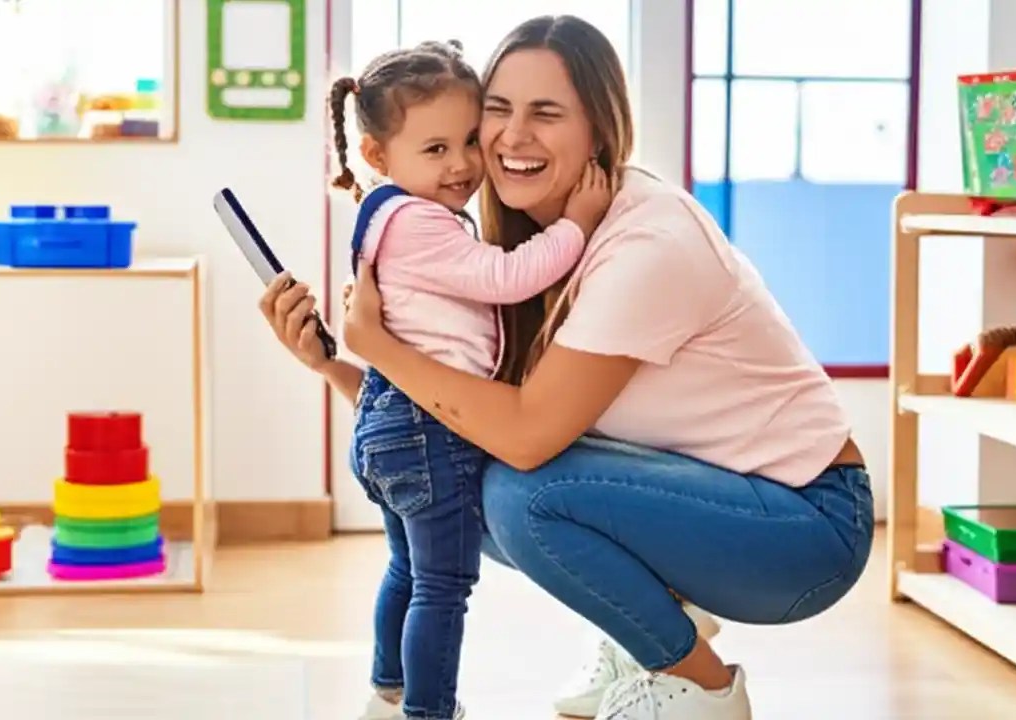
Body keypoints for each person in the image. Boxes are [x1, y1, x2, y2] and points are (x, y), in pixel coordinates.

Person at [261, 15, 873, 720]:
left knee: (520, 495)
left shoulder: (647, 243)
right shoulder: (524, 241)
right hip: (708, 495)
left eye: (546, 114)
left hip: (805, 526)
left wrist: (378, 344)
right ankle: (646, 633)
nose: (511, 137)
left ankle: (704, 690)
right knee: (459, 480)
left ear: (599, 130)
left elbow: (523, 437)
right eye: (498, 110)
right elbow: (450, 421)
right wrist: (334, 365)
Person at [322, 38, 613, 720]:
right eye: (435, 149)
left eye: (469, 143)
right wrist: (576, 225)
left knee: (407, 569)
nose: (461, 165)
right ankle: (427, 710)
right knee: (443, 585)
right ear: (377, 155)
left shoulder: (389, 215)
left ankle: (389, 690)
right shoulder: (418, 223)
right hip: (426, 429)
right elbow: (507, 277)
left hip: (388, 420)